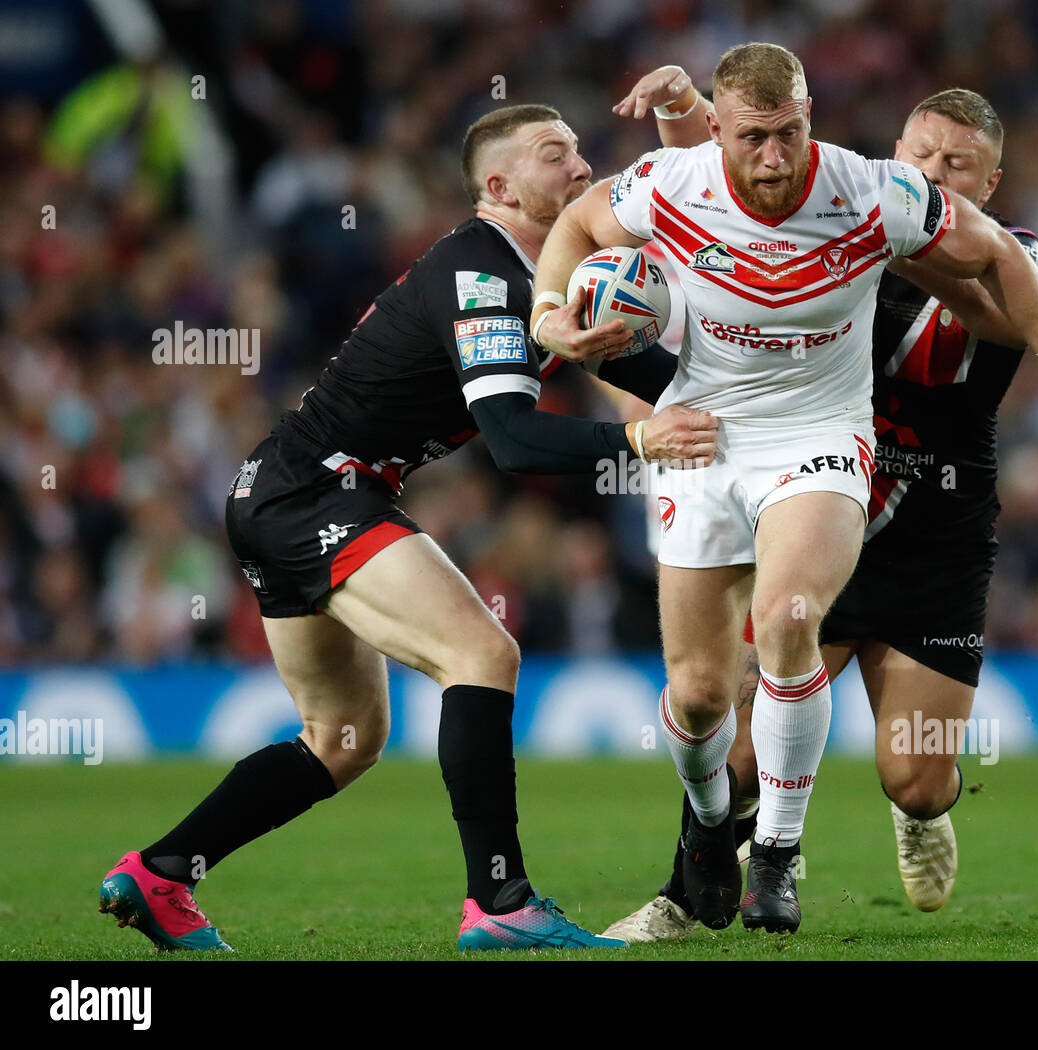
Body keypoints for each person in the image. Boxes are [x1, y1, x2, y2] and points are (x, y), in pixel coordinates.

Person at [97, 104, 717, 953]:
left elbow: (676, 376)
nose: (581, 170)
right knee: (483, 654)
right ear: (498, 187)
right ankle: (500, 904)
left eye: (579, 151)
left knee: (343, 740)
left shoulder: (554, 281)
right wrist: (639, 440)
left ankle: (161, 873)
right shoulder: (482, 271)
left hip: (282, 492)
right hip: (316, 493)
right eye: (554, 156)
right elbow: (514, 440)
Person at [531, 42, 1038, 935]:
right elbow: (718, 185)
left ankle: (917, 814)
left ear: (990, 184)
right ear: (896, 145)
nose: (932, 172)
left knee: (911, 776)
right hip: (810, 490)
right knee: (724, 719)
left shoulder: (979, 248)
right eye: (921, 153)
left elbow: (993, 310)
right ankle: (697, 893)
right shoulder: (853, 206)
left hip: (930, 524)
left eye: (958, 166)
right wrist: (689, 114)